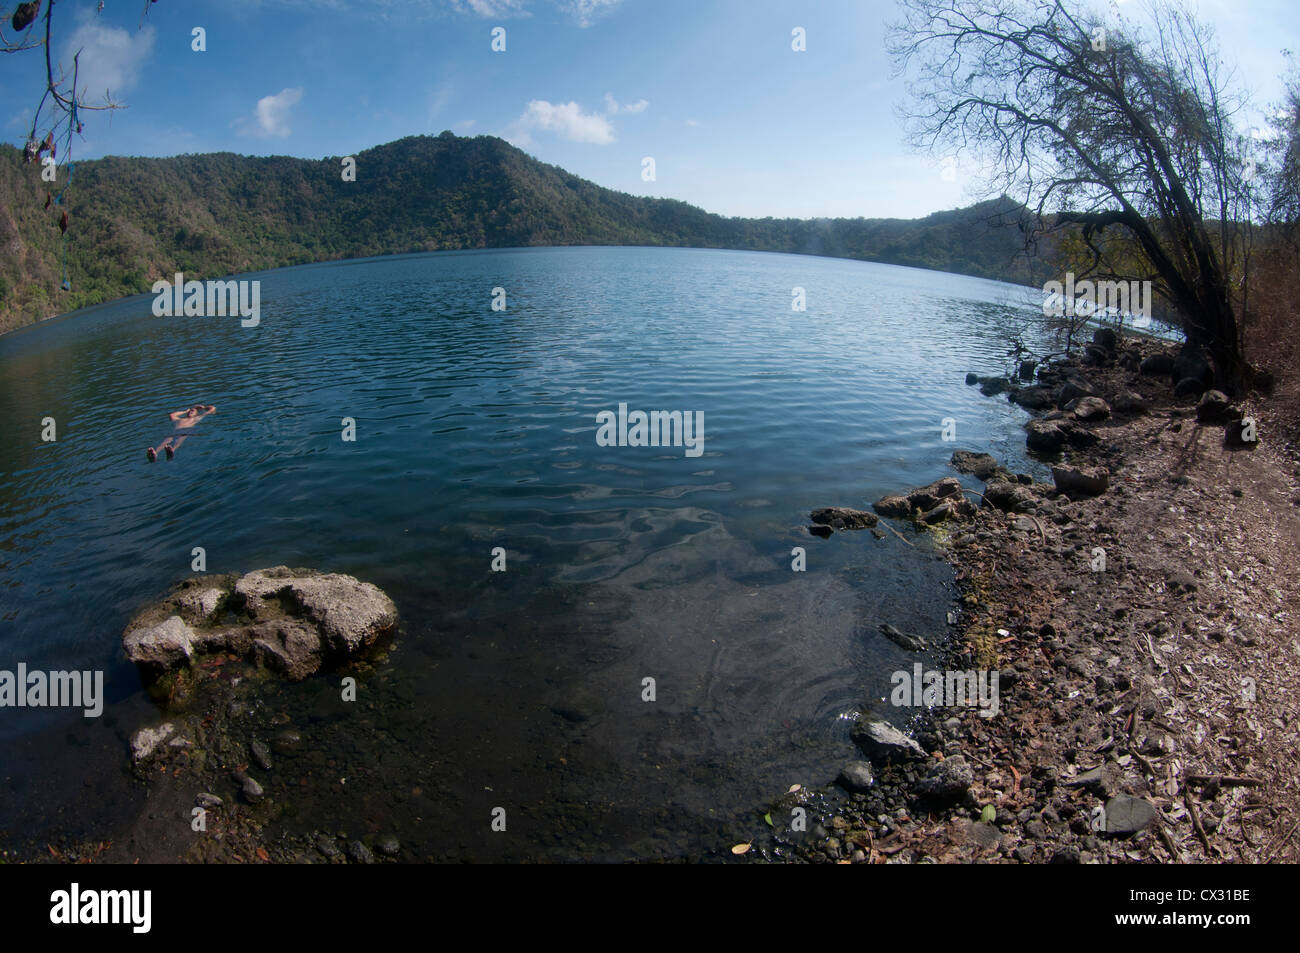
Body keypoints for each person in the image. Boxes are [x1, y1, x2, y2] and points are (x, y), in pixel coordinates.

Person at [146, 404, 216, 461]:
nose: (191, 411)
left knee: (179, 440)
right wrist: (185, 411)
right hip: (175, 432)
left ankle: (172, 450)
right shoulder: (179, 419)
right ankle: (155, 453)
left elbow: (212, 409)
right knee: (166, 441)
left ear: (196, 413)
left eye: (193, 411)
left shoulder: (196, 418)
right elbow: (172, 415)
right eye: (190, 410)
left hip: (186, 430)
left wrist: (203, 407)